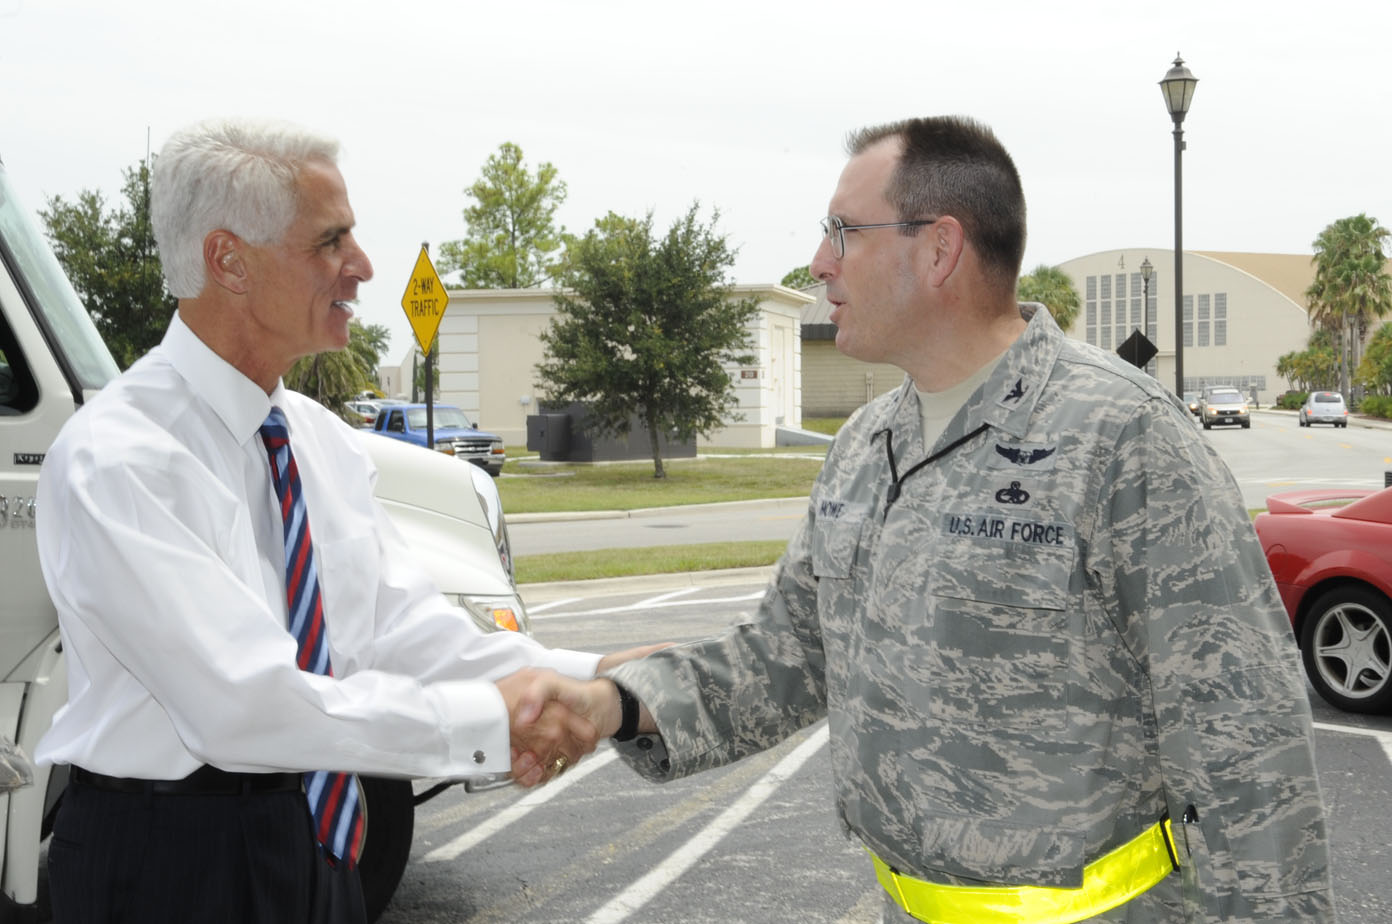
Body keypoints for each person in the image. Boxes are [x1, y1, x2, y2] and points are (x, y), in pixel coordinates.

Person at [576, 117, 1335, 922]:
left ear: (939, 249)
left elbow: (1247, 750)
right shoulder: (866, 446)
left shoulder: (1123, 436)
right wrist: (619, 704)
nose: (819, 262)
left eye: (843, 232)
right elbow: (786, 657)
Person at [34, 117, 629, 924]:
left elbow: (399, 631)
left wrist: (595, 672)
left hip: (318, 842)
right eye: (330, 241)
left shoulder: (317, 442)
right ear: (228, 260)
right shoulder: (121, 457)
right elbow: (242, 707)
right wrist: (499, 719)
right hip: (167, 867)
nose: (363, 267)